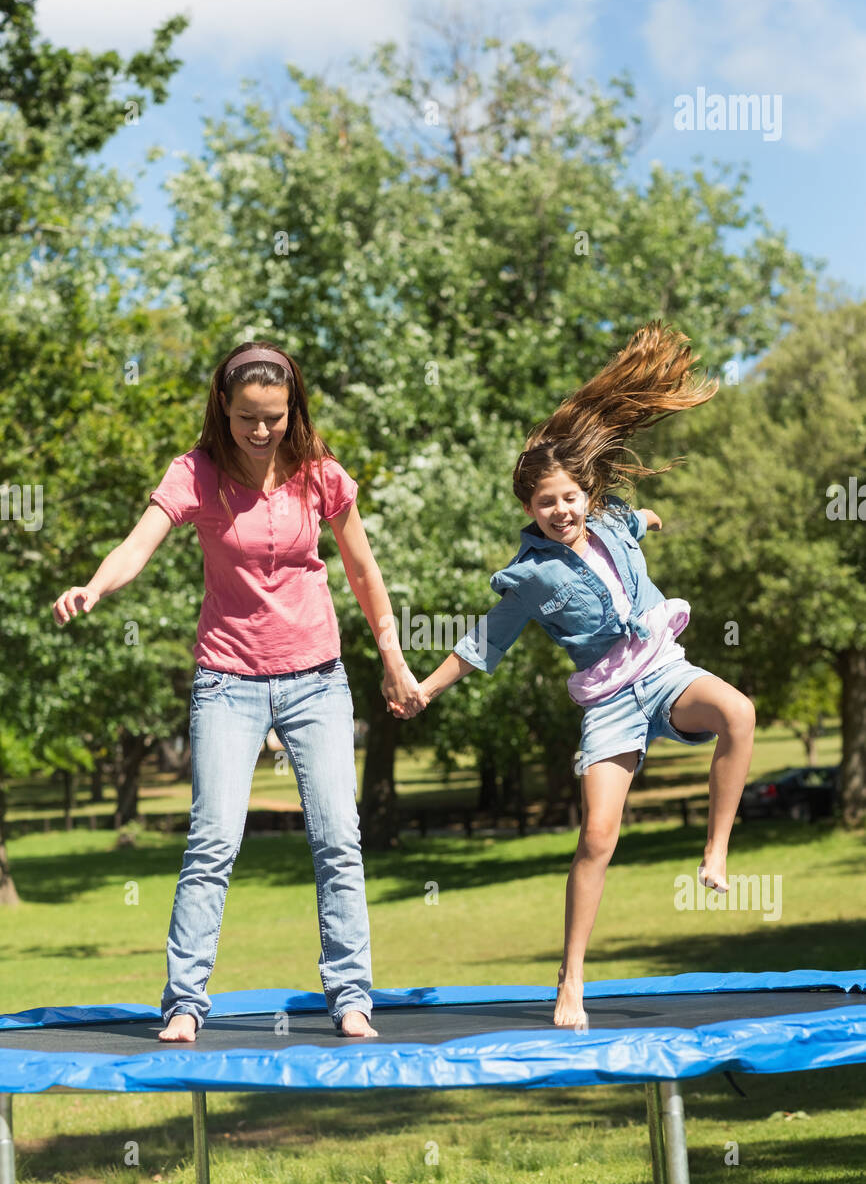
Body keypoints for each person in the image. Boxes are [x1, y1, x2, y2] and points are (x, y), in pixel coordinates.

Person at [52, 341, 424, 1042]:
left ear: (293, 410)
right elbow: (139, 543)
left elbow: (364, 573)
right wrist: (94, 587)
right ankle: (186, 1002)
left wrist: (393, 659)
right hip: (227, 680)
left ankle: (351, 997)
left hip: (316, 679)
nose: (260, 431)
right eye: (247, 417)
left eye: (274, 418)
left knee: (338, 838)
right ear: (222, 408)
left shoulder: (321, 477)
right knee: (213, 840)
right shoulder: (196, 474)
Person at [395, 322, 756, 1029]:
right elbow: (481, 643)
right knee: (597, 836)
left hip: (663, 670)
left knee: (739, 713)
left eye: (569, 497)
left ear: (585, 491)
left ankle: (714, 852)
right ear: (529, 509)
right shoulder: (528, 575)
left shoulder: (614, 519)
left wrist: (648, 518)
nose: (561, 511)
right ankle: (571, 980)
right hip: (610, 702)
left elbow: (635, 521)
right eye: (546, 503)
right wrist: (425, 690)